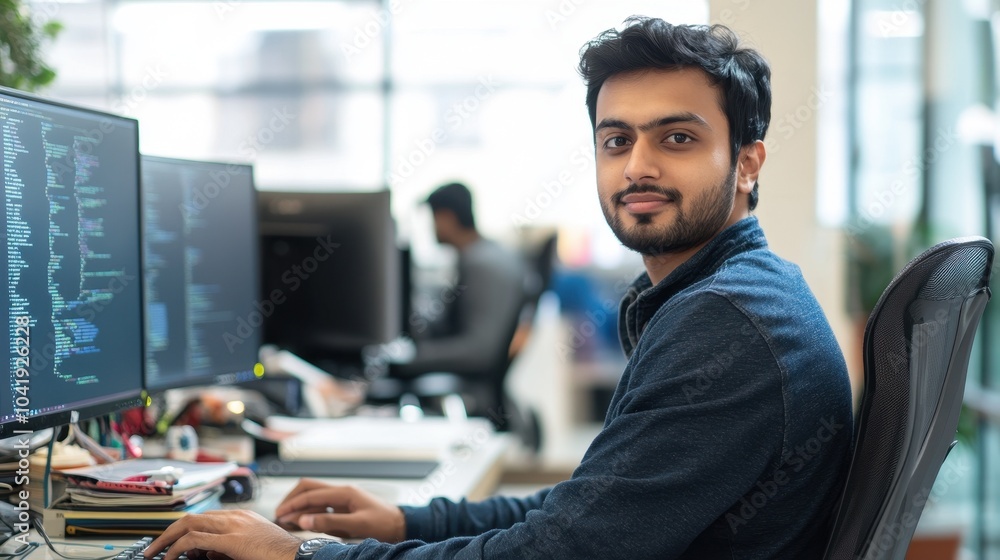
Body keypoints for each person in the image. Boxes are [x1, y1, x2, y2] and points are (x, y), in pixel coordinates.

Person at [146, 17, 853, 560]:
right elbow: (589, 511)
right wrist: (406, 522)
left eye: (676, 139)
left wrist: (304, 553)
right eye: (616, 140)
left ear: (748, 161)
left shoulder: (726, 321)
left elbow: (562, 551)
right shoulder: (735, 294)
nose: (637, 166)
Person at [393, 182, 527, 380]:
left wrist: (409, 358)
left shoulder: (483, 264)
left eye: (434, 218)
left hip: (474, 391)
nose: (432, 228)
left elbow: (479, 351)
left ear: (447, 218)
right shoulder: (481, 255)